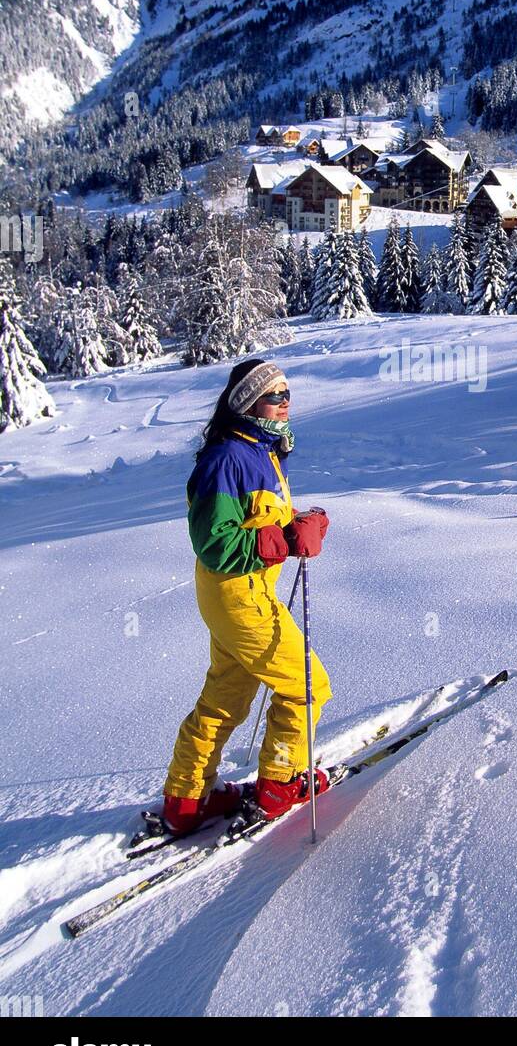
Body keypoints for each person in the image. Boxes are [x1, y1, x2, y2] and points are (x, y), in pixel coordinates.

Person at [160, 358, 332, 836]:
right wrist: (284, 540)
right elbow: (214, 542)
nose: (285, 402)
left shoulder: (261, 451)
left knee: (225, 697)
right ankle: (280, 785)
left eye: (286, 393)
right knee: (306, 685)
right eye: (274, 395)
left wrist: (302, 522)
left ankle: (186, 799)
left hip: (236, 596)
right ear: (247, 402)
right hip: (239, 596)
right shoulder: (226, 459)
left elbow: (262, 520)